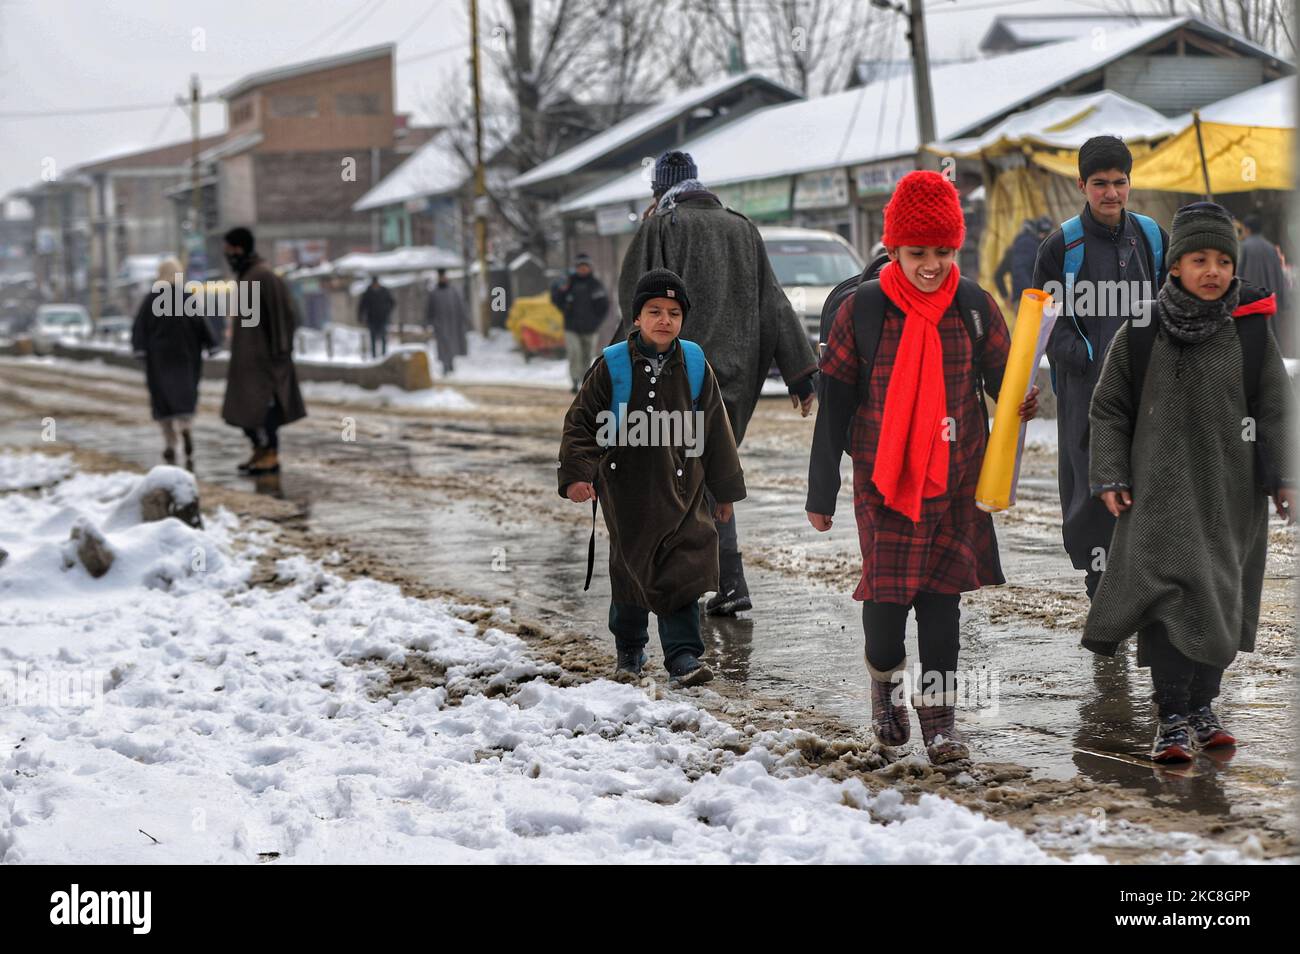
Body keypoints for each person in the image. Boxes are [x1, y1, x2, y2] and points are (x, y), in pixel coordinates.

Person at [806, 171, 1039, 765]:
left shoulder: (974, 307)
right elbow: (833, 403)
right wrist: (821, 492)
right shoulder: (862, 311)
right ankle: (885, 690)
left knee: (942, 605)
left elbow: (1001, 383)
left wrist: (1021, 399)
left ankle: (940, 722)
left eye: (942, 251)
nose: (931, 264)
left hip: (957, 478)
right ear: (894, 248)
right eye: (917, 252)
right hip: (884, 482)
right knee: (885, 606)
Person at [1083, 201, 1293, 762]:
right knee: (1167, 599)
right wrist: (1109, 472)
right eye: (1199, 258)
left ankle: (1203, 704)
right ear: (1175, 266)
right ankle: (1172, 714)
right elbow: (1109, 409)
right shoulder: (1144, 329)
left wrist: (1284, 478)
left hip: (1230, 500)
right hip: (1158, 498)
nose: (1213, 271)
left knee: (1222, 601)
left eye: (1223, 260)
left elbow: (1276, 410)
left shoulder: (1250, 333)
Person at [616, 150, 817, 616]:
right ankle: (729, 582)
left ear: (660, 189)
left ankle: (685, 588)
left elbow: (635, 304)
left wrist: (615, 373)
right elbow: (774, 302)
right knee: (706, 471)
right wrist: (801, 372)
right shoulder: (742, 227)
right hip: (736, 377)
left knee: (678, 479)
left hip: (676, 372)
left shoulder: (661, 227)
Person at [559, 268, 745, 687]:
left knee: (685, 568)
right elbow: (581, 423)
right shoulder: (612, 366)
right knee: (631, 572)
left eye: (674, 312)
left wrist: (725, 489)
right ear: (636, 318)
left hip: (684, 487)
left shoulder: (695, 363)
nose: (665, 320)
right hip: (628, 493)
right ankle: (629, 648)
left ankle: (683, 656)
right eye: (655, 311)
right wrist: (577, 475)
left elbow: (716, 429)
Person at [1032, 135, 1170, 600]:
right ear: (1081, 185)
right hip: (1086, 395)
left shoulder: (1152, 238)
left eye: (1119, 182)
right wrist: (1087, 357)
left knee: (1149, 485)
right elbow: (1044, 323)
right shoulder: (1061, 247)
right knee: (1092, 494)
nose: (1111, 193)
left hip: (1147, 392)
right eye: (1100, 184)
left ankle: (1142, 587)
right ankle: (1102, 592)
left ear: (1130, 182)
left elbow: (1174, 303)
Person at [219, 226, 306, 476]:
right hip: (249, 360)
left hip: (265, 361)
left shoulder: (262, 276)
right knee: (246, 410)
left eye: (229, 249)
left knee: (264, 408)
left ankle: (271, 453)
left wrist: (278, 352)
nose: (227, 254)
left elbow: (283, 316)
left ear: (240, 248)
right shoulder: (248, 276)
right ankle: (260, 449)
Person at [131, 257, 214, 469]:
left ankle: (170, 441)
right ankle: (186, 427)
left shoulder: (152, 298)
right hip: (186, 355)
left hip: (159, 358)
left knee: (163, 400)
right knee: (185, 396)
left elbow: (140, 327)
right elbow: (201, 324)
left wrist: (139, 348)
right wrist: (211, 344)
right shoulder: (187, 297)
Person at [551, 252, 610, 392]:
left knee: (587, 356)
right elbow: (557, 300)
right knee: (574, 354)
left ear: (590, 267)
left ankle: (585, 382)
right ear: (576, 268)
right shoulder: (568, 284)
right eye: (580, 266)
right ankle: (574, 381)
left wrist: (596, 322)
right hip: (572, 328)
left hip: (590, 329)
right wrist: (560, 296)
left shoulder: (595, 285)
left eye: (585, 266)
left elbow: (604, 306)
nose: (582, 269)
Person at [1238, 213, 1291, 354]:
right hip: (1271, 300)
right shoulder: (1271, 248)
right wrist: (1285, 302)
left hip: (1251, 302)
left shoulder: (1244, 247)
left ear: (1247, 229)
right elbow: (1280, 276)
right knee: (1272, 339)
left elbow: (1238, 275)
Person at [994, 216, 1052, 311]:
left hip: (1020, 300)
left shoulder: (1013, 250)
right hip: (1036, 300)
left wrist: (1006, 298)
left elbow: (998, 275)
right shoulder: (1039, 249)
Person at [426, 268, 469, 375]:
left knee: (452, 344)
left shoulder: (453, 291)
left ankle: (450, 363)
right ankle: (445, 365)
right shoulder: (434, 293)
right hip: (440, 323)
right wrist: (429, 322)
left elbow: (460, 306)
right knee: (442, 345)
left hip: (452, 322)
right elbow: (429, 309)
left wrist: (464, 318)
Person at [358, 275, 395, 360]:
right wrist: (360, 317)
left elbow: (392, 302)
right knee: (373, 339)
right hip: (372, 319)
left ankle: (384, 356)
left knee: (383, 338)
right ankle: (374, 357)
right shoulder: (368, 293)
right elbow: (362, 306)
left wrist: (386, 310)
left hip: (383, 318)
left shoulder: (384, 291)